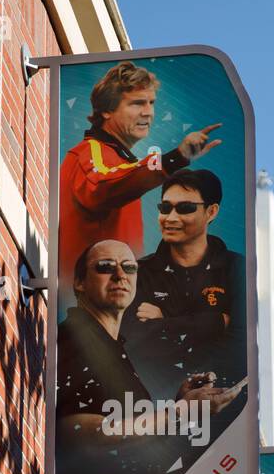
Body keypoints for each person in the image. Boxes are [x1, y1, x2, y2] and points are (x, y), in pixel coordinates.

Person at [55, 239, 244, 474]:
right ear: (79, 282)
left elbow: (132, 431)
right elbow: (73, 430)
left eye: (129, 267)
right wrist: (179, 412)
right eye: (105, 267)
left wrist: (179, 402)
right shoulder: (74, 340)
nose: (120, 275)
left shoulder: (113, 347)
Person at [58, 60, 222, 299]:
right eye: (137, 103)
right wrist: (175, 158)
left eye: (151, 103)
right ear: (106, 110)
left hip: (109, 306)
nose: (148, 112)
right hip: (85, 305)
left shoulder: (117, 159)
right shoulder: (90, 152)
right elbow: (102, 187)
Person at [121, 169, 246, 398]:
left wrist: (165, 323)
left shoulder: (239, 269)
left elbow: (240, 345)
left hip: (224, 410)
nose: (171, 218)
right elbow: (135, 344)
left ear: (211, 211)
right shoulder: (137, 273)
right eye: (165, 208)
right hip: (156, 413)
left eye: (185, 208)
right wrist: (215, 322)